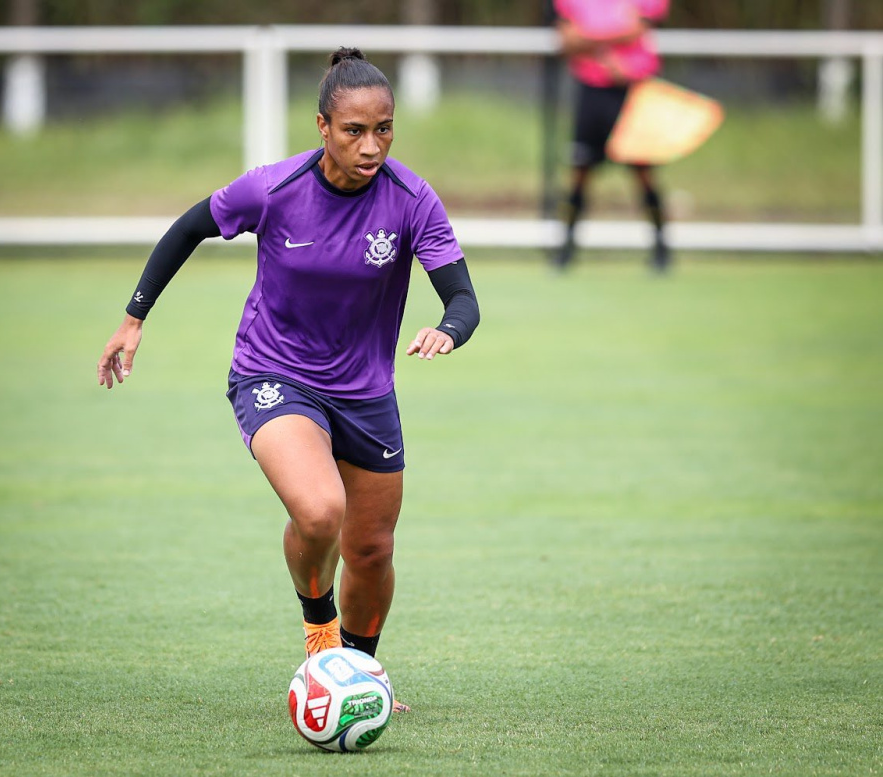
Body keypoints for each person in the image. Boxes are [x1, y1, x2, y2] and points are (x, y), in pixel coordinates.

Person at [96, 47, 480, 714]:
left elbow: (463, 299)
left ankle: (356, 678)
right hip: (274, 374)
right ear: (322, 126)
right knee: (319, 509)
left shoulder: (411, 199)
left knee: (370, 546)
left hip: (365, 391)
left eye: (383, 128)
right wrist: (134, 317)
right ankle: (321, 646)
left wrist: (448, 326)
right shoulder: (272, 188)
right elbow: (189, 226)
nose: (371, 145)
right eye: (354, 130)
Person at [552, 0, 671, 272]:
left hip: (631, 92)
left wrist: (588, 38)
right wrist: (615, 36)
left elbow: (636, 30)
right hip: (591, 92)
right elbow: (566, 41)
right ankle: (566, 251)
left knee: (644, 173)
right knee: (579, 172)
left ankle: (661, 249)